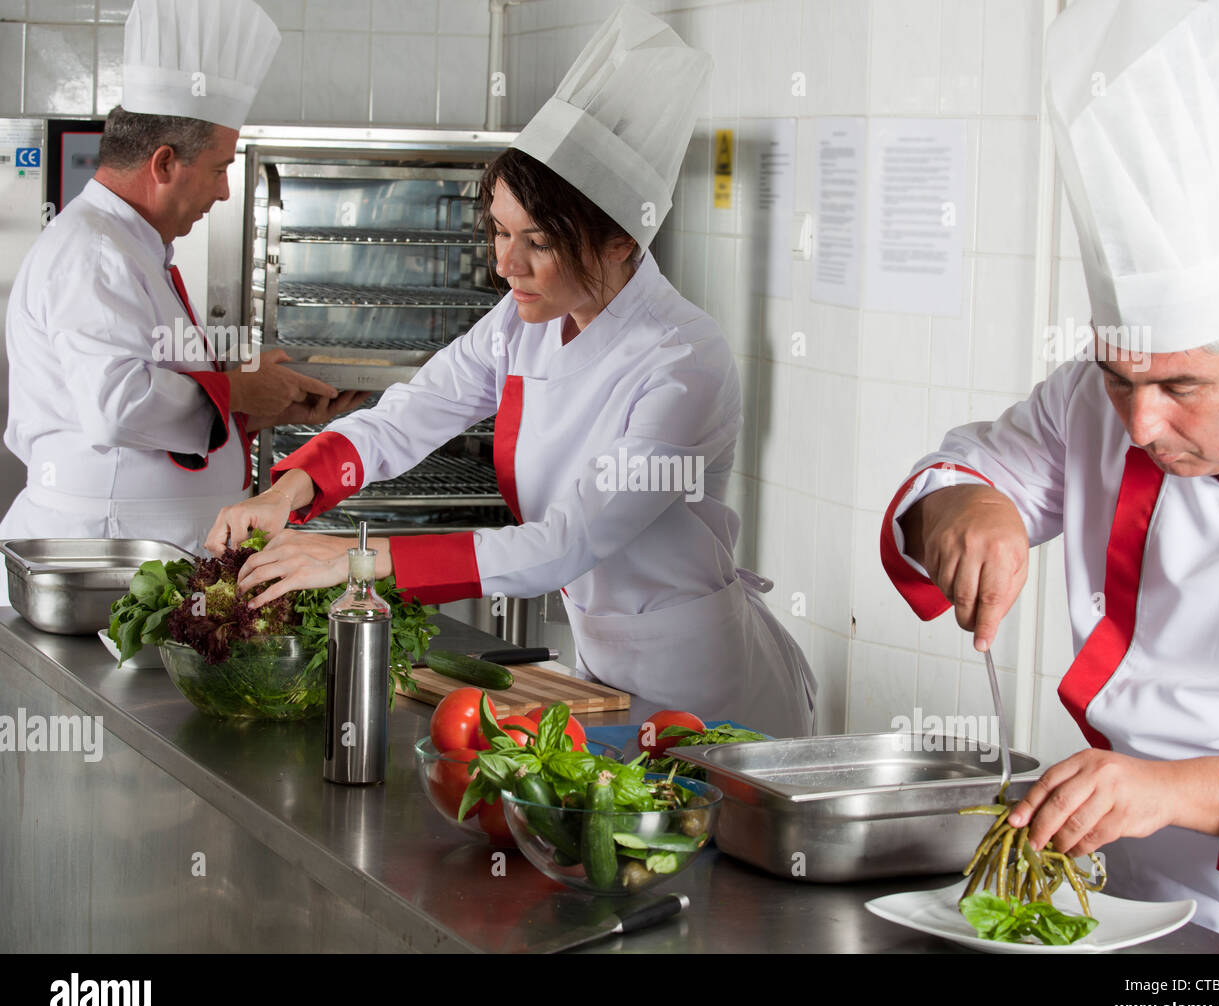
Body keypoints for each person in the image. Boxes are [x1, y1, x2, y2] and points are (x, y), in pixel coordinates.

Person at [204, 5, 816, 738]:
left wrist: (356, 560)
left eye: (538, 241)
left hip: (707, 698)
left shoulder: (684, 363)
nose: (505, 264)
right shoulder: (528, 321)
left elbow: (566, 541)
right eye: (498, 230)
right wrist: (290, 489)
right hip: (604, 672)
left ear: (621, 240)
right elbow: (412, 412)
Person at [880, 0, 1219, 952]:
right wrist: (965, 506)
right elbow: (952, 477)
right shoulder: (1094, 401)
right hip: (1113, 901)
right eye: (1120, 379)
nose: (1141, 423)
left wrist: (1176, 787)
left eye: (1182, 385)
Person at [0, 0, 364, 564]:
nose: (223, 192)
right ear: (164, 164)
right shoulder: (95, 251)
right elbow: (116, 404)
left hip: (136, 552)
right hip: (101, 555)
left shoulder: (131, 247)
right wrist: (238, 392)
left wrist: (262, 404)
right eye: (220, 168)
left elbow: (155, 394)